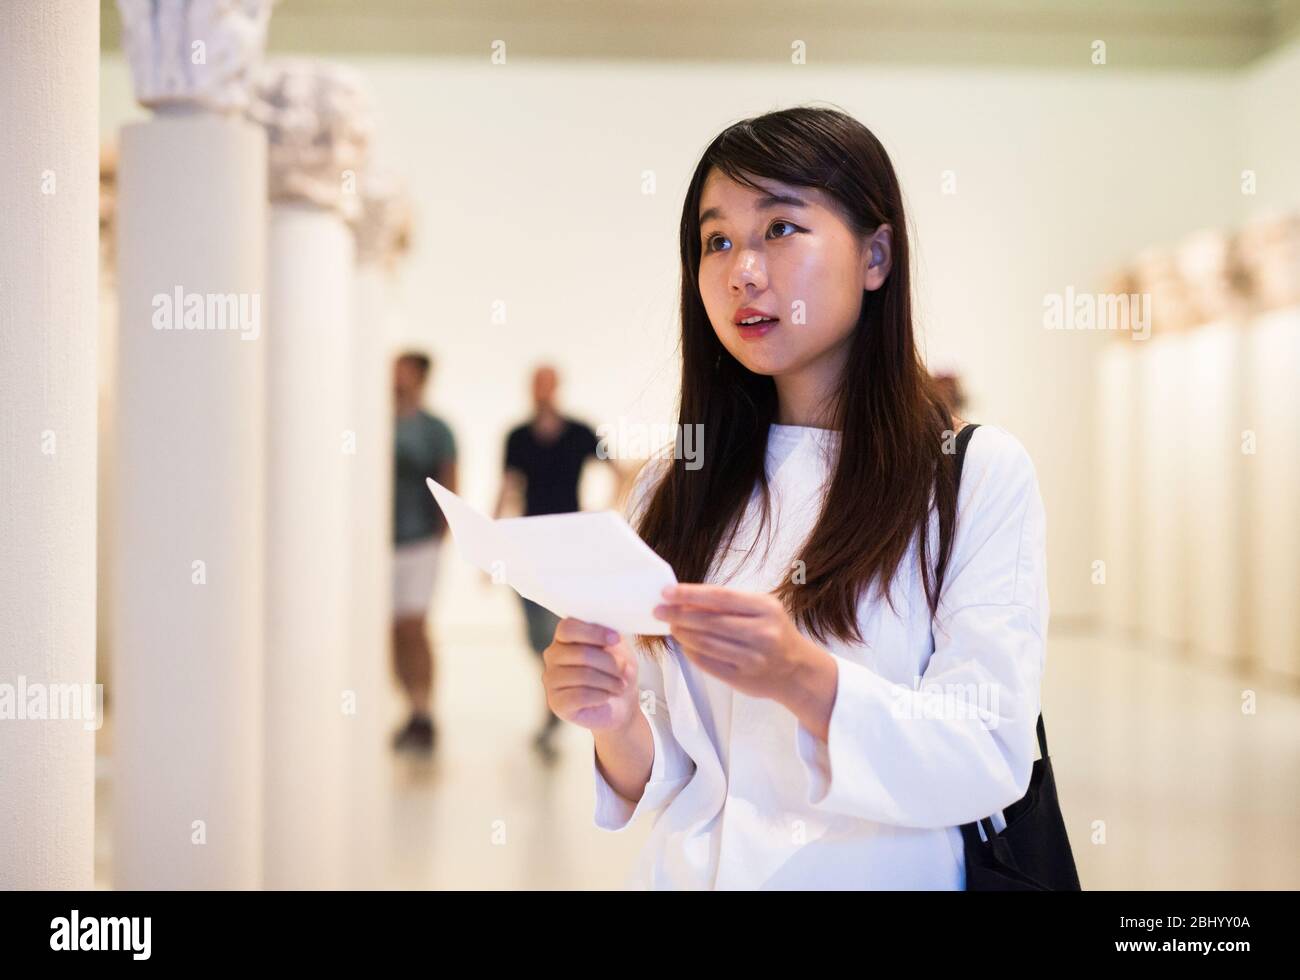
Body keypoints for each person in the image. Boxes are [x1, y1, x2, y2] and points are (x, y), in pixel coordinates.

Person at [540, 106, 1050, 889]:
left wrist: (803, 678)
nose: (742, 269)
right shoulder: (671, 486)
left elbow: (988, 752)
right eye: (717, 241)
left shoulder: (971, 475)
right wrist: (612, 719)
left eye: (780, 228)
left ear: (876, 255)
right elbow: (674, 769)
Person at [491, 364, 634, 764]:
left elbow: (618, 472)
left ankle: (556, 710)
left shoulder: (580, 432)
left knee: (558, 629)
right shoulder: (517, 437)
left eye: (548, 384)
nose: (542, 392)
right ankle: (553, 705)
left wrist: (603, 513)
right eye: (536, 384)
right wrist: (492, 543)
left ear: (557, 388)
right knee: (535, 634)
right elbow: (506, 488)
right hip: (528, 544)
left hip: (569, 545)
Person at [391, 351, 457, 755]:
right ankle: (411, 710)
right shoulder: (373, 421)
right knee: (391, 632)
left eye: (405, 371)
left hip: (419, 542)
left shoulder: (436, 430)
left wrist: (442, 534)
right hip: (379, 544)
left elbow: (448, 481)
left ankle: (425, 710)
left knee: (414, 626)